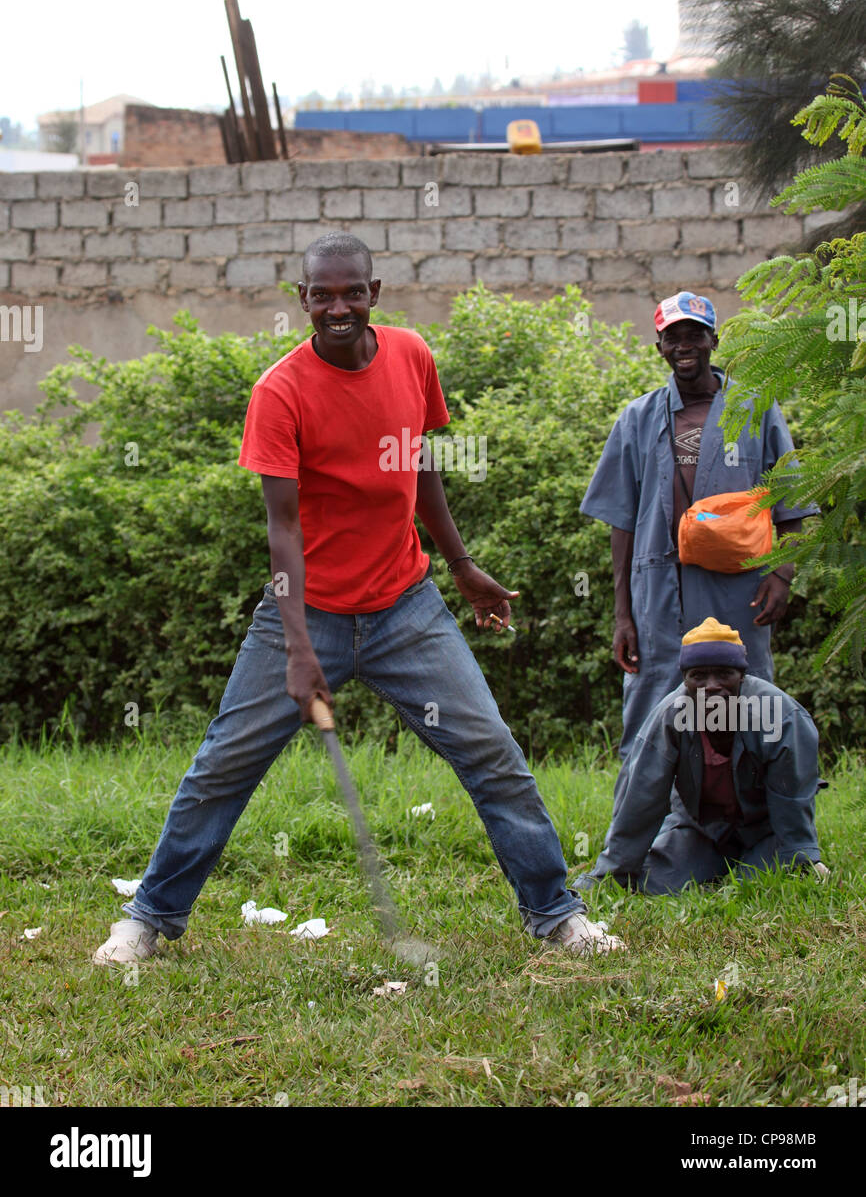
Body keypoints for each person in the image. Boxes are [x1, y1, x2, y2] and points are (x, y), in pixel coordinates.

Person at [94, 233, 623, 965]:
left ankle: (556, 915)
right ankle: (147, 920)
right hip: (304, 615)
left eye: (351, 292)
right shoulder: (280, 392)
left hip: (405, 607)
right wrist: (301, 652)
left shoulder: (411, 355)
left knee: (492, 753)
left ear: (374, 293)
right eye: (321, 295)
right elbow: (282, 531)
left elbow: (421, 460)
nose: (336, 307)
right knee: (223, 766)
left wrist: (463, 566)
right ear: (301, 300)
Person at [580, 290, 816, 758]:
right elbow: (622, 522)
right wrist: (623, 613)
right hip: (658, 592)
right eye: (673, 338)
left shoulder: (756, 409)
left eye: (694, 335)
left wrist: (783, 574)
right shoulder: (637, 419)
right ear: (660, 348)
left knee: (745, 698)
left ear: (713, 341)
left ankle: (756, 813)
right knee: (653, 707)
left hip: (738, 587)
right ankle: (648, 822)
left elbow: (791, 502)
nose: (683, 346)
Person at [573, 617, 829, 895]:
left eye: (724, 674)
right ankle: (710, 864)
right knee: (655, 882)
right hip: (702, 829)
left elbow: (791, 799)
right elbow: (641, 799)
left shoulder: (780, 716)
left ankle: (758, 866)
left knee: (758, 884)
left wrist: (801, 856)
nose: (712, 685)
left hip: (766, 829)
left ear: (741, 675)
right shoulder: (670, 717)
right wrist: (612, 872)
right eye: (698, 676)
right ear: (685, 680)